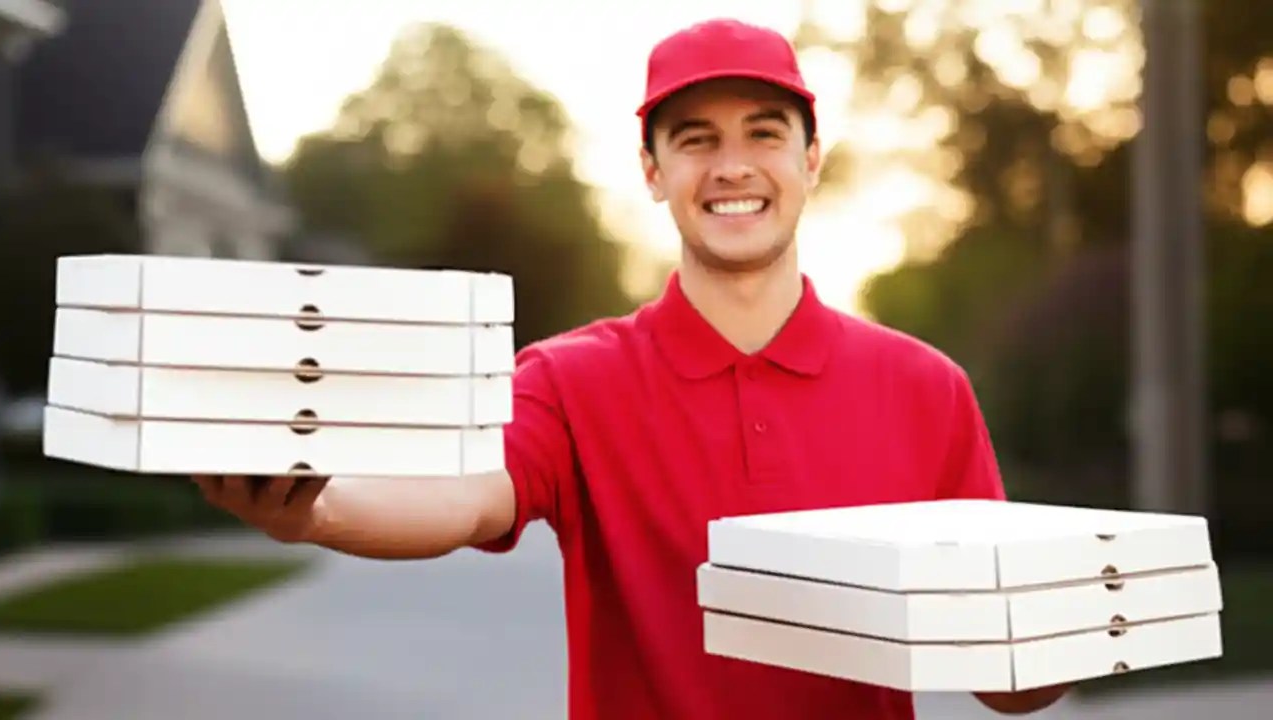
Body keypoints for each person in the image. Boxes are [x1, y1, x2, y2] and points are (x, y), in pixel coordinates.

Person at [193, 17, 1072, 720]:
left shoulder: (924, 388)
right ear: (652, 171)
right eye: (694, 139)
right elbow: (465, 496)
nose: (732, 165)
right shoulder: (573, 380)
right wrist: (318, 512)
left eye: (764, 133)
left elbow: (1003, 675)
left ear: (811, 159)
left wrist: (1059, 644)